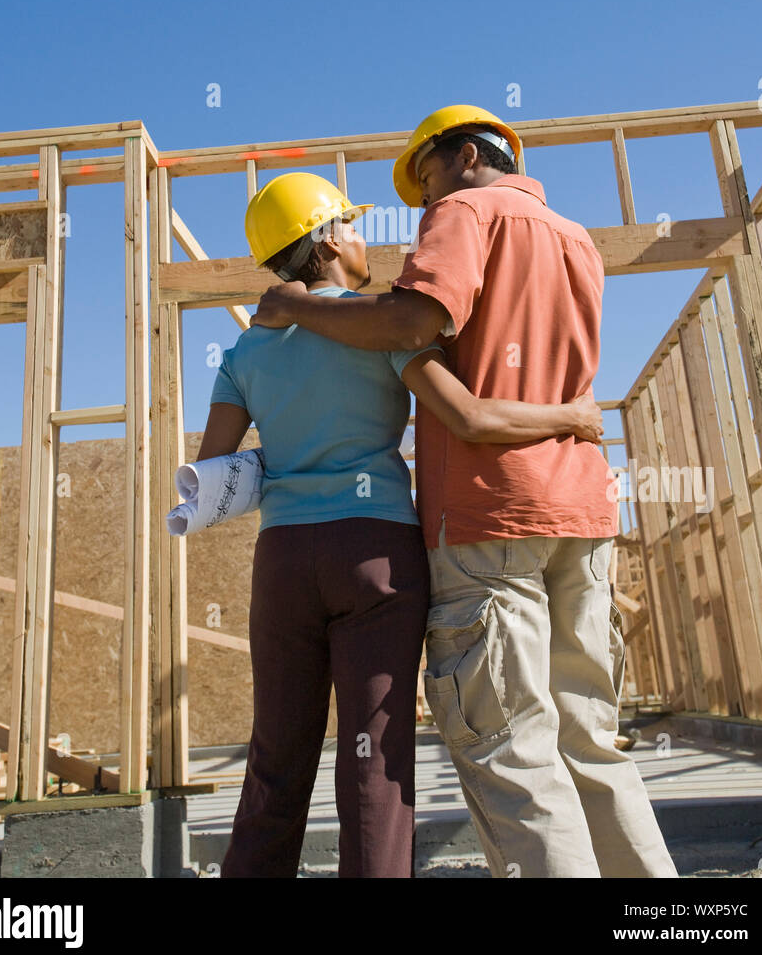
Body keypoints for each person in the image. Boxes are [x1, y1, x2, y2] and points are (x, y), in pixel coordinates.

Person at [252, 105, 679, 879]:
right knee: (589, 736)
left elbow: (413, 322)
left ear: (463, 156)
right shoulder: (575, 238)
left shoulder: (462, 211)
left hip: (490, 516)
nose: (420, 204)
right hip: (580, 510)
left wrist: (299, 307)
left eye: (423, 178)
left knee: (510, 744)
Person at [198, 169, 604, 879]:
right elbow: (471, 416)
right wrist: (572, 416)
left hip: (285, 560)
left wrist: (296, 451)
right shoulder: (379, 326)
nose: (362, 239)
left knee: (275, 758)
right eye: (350, 226)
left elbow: (212, 475)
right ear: (327, 243)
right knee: (375, 763)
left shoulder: (244, 354)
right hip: (377, 555)